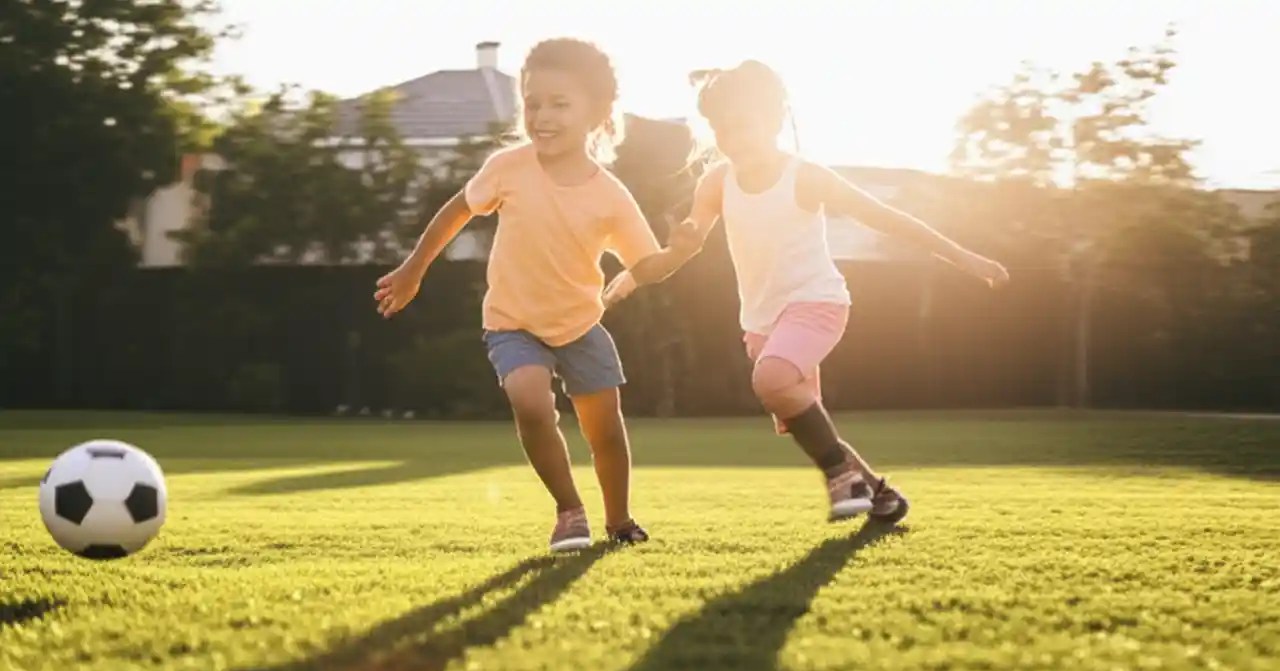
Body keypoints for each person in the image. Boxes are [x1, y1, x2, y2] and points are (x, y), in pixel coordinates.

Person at [606, 60, 1010, 524]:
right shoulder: (716, 182)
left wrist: (968, 260)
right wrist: (639, 273)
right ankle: (880, 495)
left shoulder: (806, 176)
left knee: (771, 381)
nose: (732, 139)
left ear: (774, 120)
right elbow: (681, 251)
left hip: (817, 303)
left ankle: (840, 480)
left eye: (742, 125)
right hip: (761, 322)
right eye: (720, 128)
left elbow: (888, 219)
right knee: (801, 410)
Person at [375, 38, 687, 552]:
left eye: (559, 104)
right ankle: (569, 511)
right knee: (529, 400)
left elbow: (646, 266)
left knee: (605, 432)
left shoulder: (610, 194)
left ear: (598, 113)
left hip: (581, 326)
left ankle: (620, 519)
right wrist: (413, 270)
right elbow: (457, 211)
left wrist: (683, 251)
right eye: (533, 101)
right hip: (512, 322)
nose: (542, 115)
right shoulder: (508, 168)